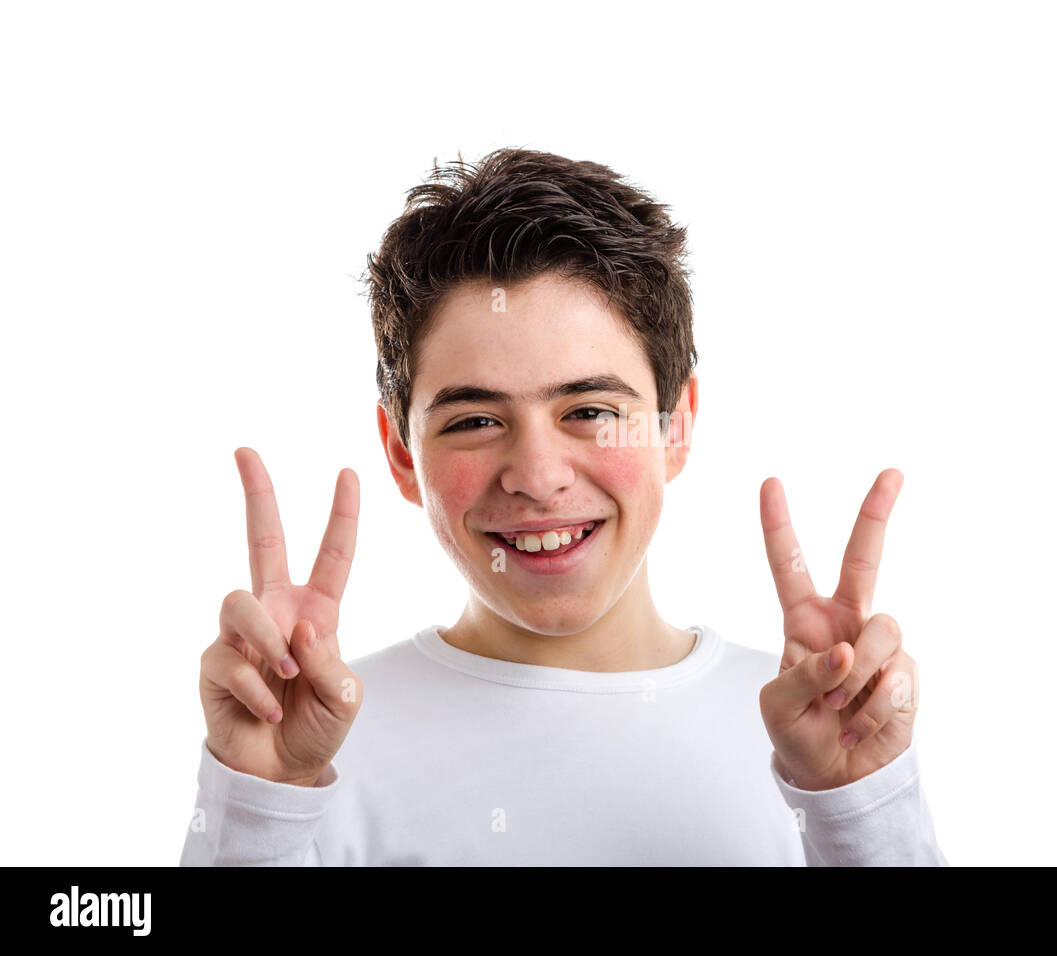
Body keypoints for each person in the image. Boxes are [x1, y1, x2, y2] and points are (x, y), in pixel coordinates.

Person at [180, 148, 946, 865]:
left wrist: (860, 809)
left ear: (675, 426)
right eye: (475, 421)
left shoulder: (815, 731)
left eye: (589, 410)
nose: (538, 477)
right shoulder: (315, 746)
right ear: (402, 453)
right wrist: (257, 810)